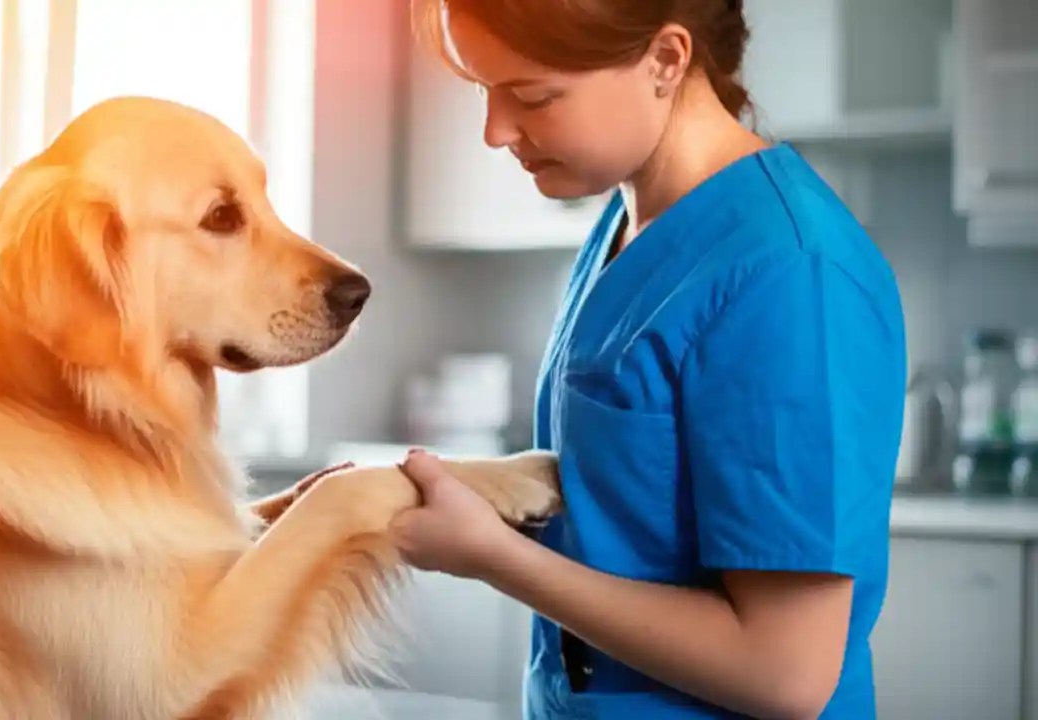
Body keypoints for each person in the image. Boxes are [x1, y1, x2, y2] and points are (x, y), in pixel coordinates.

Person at [389, 1, 908, 718]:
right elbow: (621, 516)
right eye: (485, 90)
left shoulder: (789, 273)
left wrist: (492, 558)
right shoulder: (630, 221)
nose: (495, 131)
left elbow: (785, 674)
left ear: (666, 59)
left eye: (532, 95)